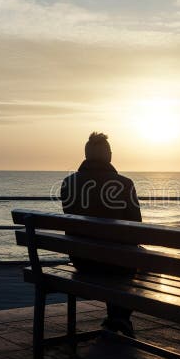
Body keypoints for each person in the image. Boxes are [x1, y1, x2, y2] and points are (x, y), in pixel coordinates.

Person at [59, 132, 141, 337]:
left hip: (81, 260)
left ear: (86, 155)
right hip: (116, 264)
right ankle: (120, 317)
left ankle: (116, 318)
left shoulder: (68, 183)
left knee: (116, 258)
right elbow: (138, 229)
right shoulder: (125, 184)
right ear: (109, 156)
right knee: (138, 261)